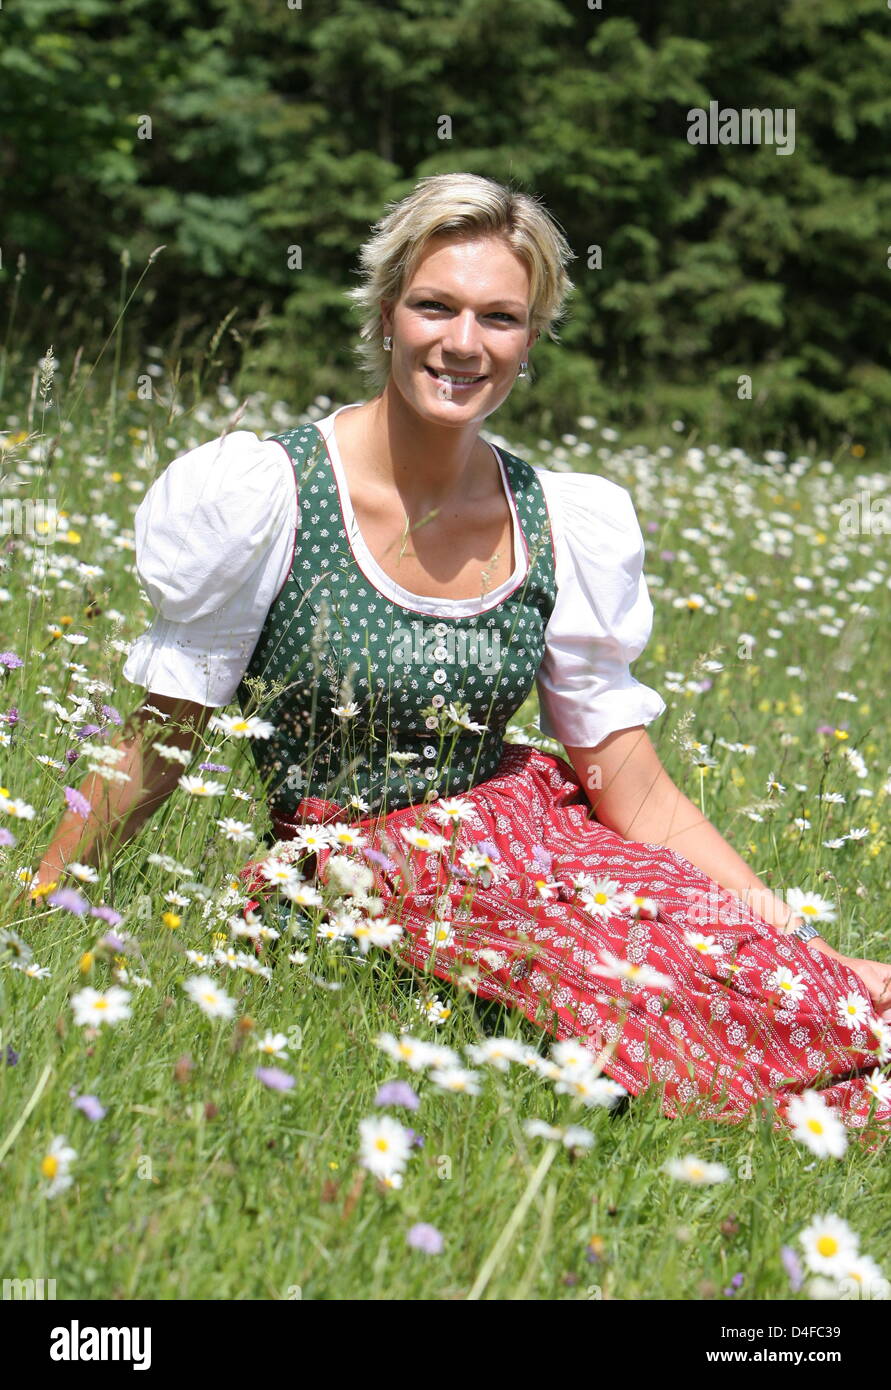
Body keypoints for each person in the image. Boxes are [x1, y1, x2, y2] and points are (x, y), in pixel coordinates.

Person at [33, 172, 891, 1140]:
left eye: (501, 316)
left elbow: (636, 792)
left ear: (531, 336)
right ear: (388, 311)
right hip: (361, 870)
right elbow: (163, 739)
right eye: (435, 305)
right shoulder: (271, 494)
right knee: (630, 992)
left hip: (537, 837)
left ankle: (838, 1021)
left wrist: (798, 943)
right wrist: (35, 904)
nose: (464, 342)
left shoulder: (559, 517)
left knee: (756, 968)